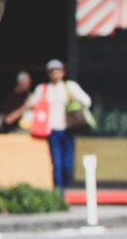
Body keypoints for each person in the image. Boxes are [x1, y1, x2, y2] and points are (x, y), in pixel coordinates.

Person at [27, 58, 92, 191]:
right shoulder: (43, 89)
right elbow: (31, 104)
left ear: (63, 72)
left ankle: (67, 185)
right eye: (52, 71)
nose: (55, 74)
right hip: (52, 130)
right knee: (56, 163)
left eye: (58, 71)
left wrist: (74, 102)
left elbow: (87, 101)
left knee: (67, 163)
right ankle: (59, 191)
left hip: (68, 128)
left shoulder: (70, 87)